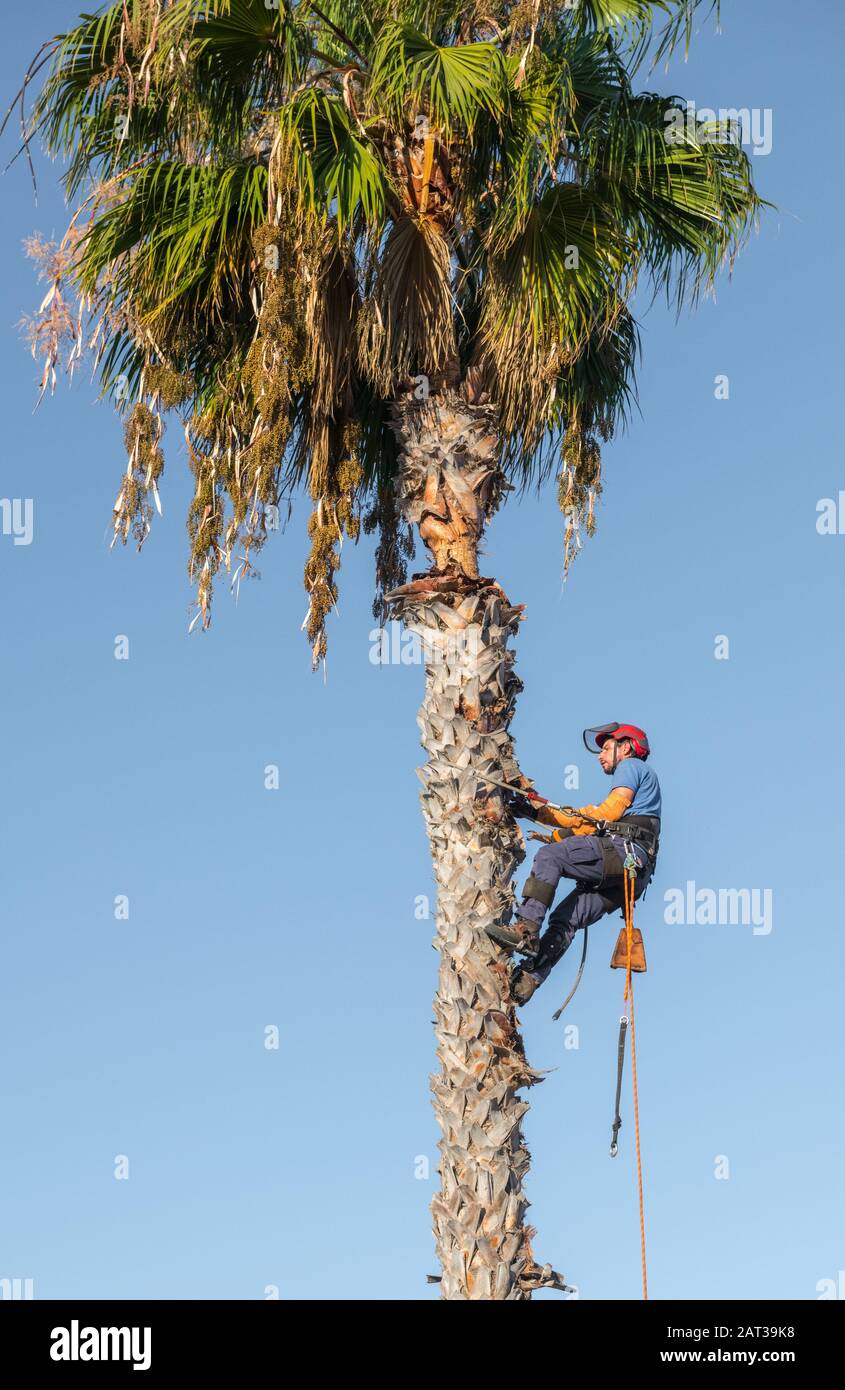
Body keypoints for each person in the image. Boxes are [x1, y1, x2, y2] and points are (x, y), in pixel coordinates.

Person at [486, 723, 661, 1005]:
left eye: (606, 748)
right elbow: (585, 820)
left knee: (550, 855)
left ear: (625, 747)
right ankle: (527, 980)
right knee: (565, 919)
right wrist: (537, 813)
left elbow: (607, 813)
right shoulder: (643, 784)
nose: (600, 755)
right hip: (633, 874)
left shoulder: (631, 768)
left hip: (623, 851)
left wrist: (555, 833)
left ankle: (526, 929)